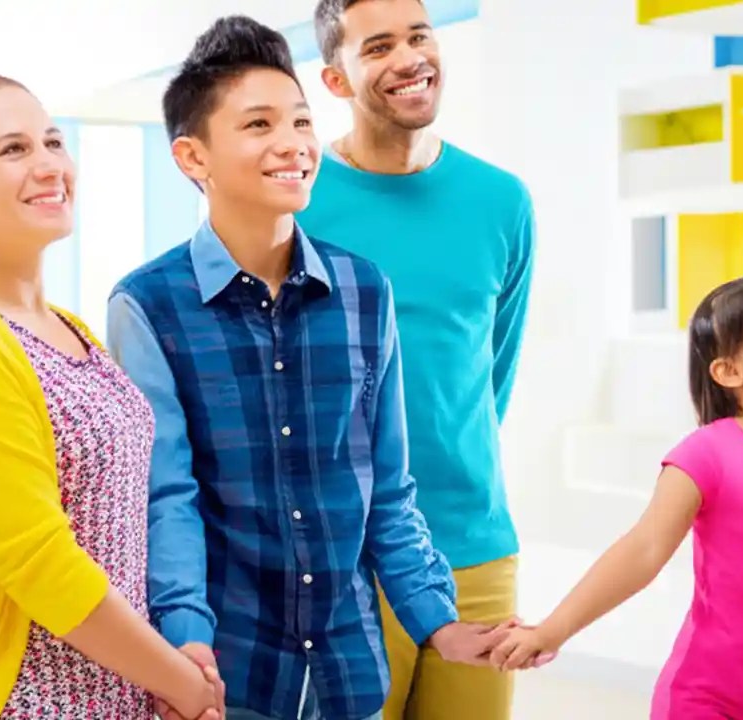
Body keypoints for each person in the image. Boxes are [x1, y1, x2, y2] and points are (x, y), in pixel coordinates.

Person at [107, 16, 502, 720]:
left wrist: (435, 620)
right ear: (193, 158)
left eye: (299, 121)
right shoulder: (148, 307)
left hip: (351, 671)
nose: (292, 144)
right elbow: (168, 498)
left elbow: (387, 491)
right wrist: (184, 640)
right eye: (258, 125)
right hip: (230, 674)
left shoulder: (364, 291)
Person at [0, 72, 222, 720]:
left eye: (52, 142)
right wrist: (181, 683)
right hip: (22, 703)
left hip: (122, 693)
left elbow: (125, 519)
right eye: (13, 150)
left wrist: (177, 659)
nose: (48, 166)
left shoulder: (69, 327)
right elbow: (40, 563)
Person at [297, 1, 537, 718]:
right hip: (346, 557)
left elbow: (492, 372)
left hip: (476, 545)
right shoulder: (298, 204)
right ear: (336, 80)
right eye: (378, 47)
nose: (408, 57)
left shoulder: (502, 201)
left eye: (419, 35)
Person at [490, 275, 743, 720]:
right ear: (729, 371)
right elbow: (643, 550)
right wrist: (551, 632)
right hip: (707, 703)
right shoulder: (708, 454)